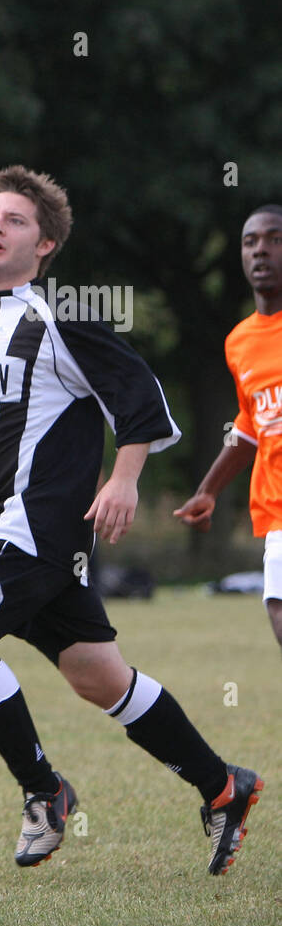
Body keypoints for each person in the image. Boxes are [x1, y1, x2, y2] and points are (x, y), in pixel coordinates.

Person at [0, 165, 263, 875]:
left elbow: (139, 397)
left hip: (33, 525)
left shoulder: (59, 317)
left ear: (44, 245)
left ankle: (45, 794)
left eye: (14, 221)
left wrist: (126, 479)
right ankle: (224, 785)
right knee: (96, 675)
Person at [174, 205, 282, 653]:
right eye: (250, 241)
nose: (260, 250)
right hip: (277, 509)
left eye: (275, 239)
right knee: (277, 609)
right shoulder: (239, 342)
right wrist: (209, 489)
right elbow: (250, 427)